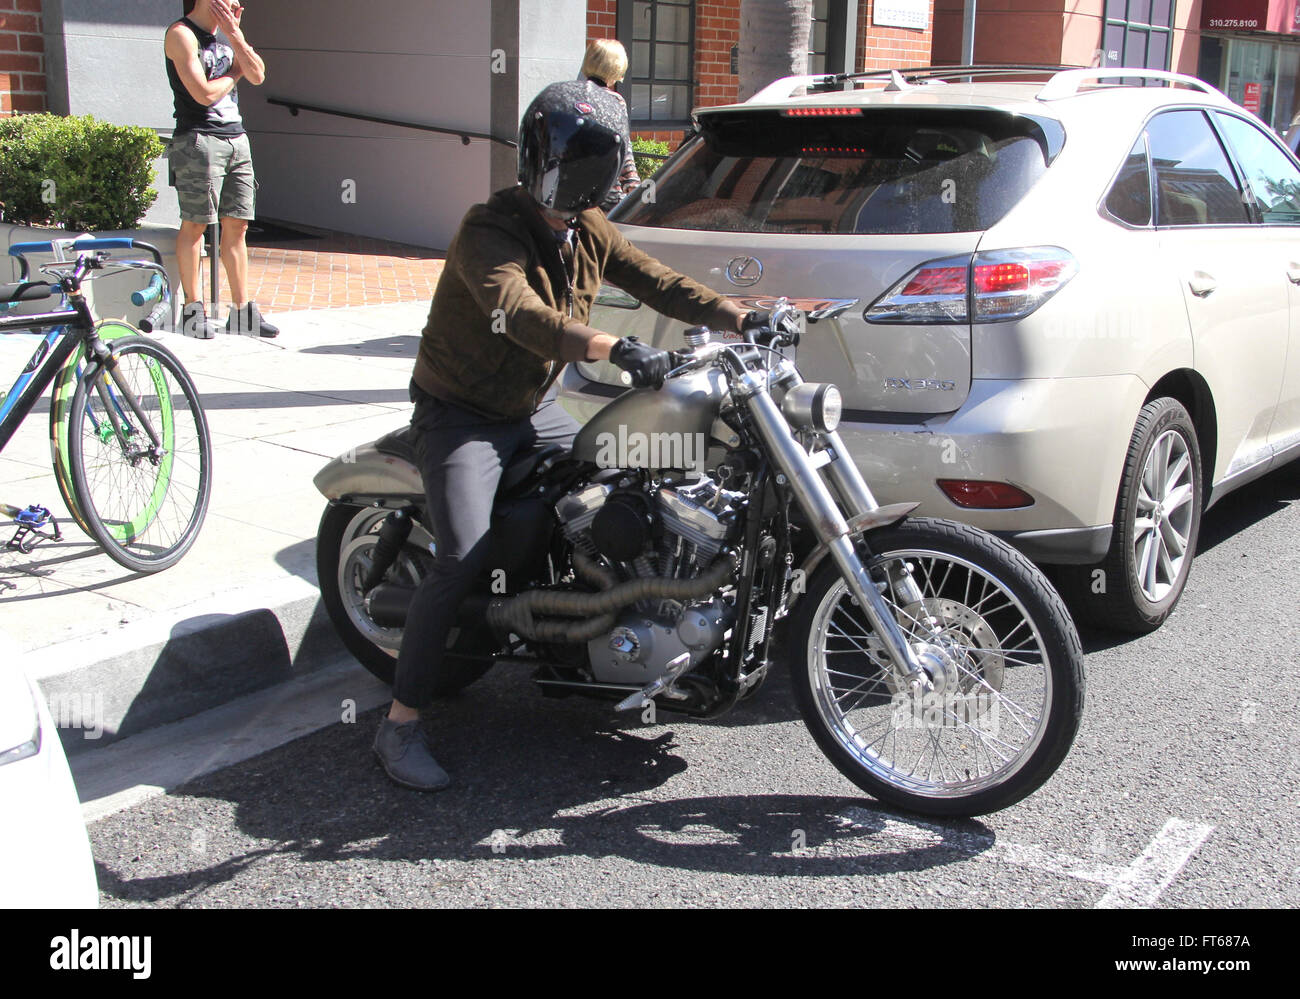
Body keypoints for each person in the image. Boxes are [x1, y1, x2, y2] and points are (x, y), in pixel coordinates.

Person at [373, 79, 766, 791]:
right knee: (462, 553)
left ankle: (587, 625)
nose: (578, 185)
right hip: (462, 413)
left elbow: (656, 279)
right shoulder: (489, 228)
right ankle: (400, 723)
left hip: (531, 406)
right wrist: (613, 347)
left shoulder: (589, 227)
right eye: (570, 167)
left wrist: (737, 315)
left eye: (589, 170)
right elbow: (522, 314)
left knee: (616, 484)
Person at [164, 0, 278, 338]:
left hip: (236, 139)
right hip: (199, 139)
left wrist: (236, 36)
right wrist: (234, 72)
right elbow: (202, 94)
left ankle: (242, 313)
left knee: (237, 225)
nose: (237, 3)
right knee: (195, 224)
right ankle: (192, 312)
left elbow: (257, 74)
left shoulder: (229, 35)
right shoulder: (181, 34)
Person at [580, 38, 641, 212]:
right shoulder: (613, 100)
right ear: (616, 66)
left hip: (573, 192)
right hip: (604, 197)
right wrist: (634, 186)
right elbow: (623, 148)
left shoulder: (574, 95)